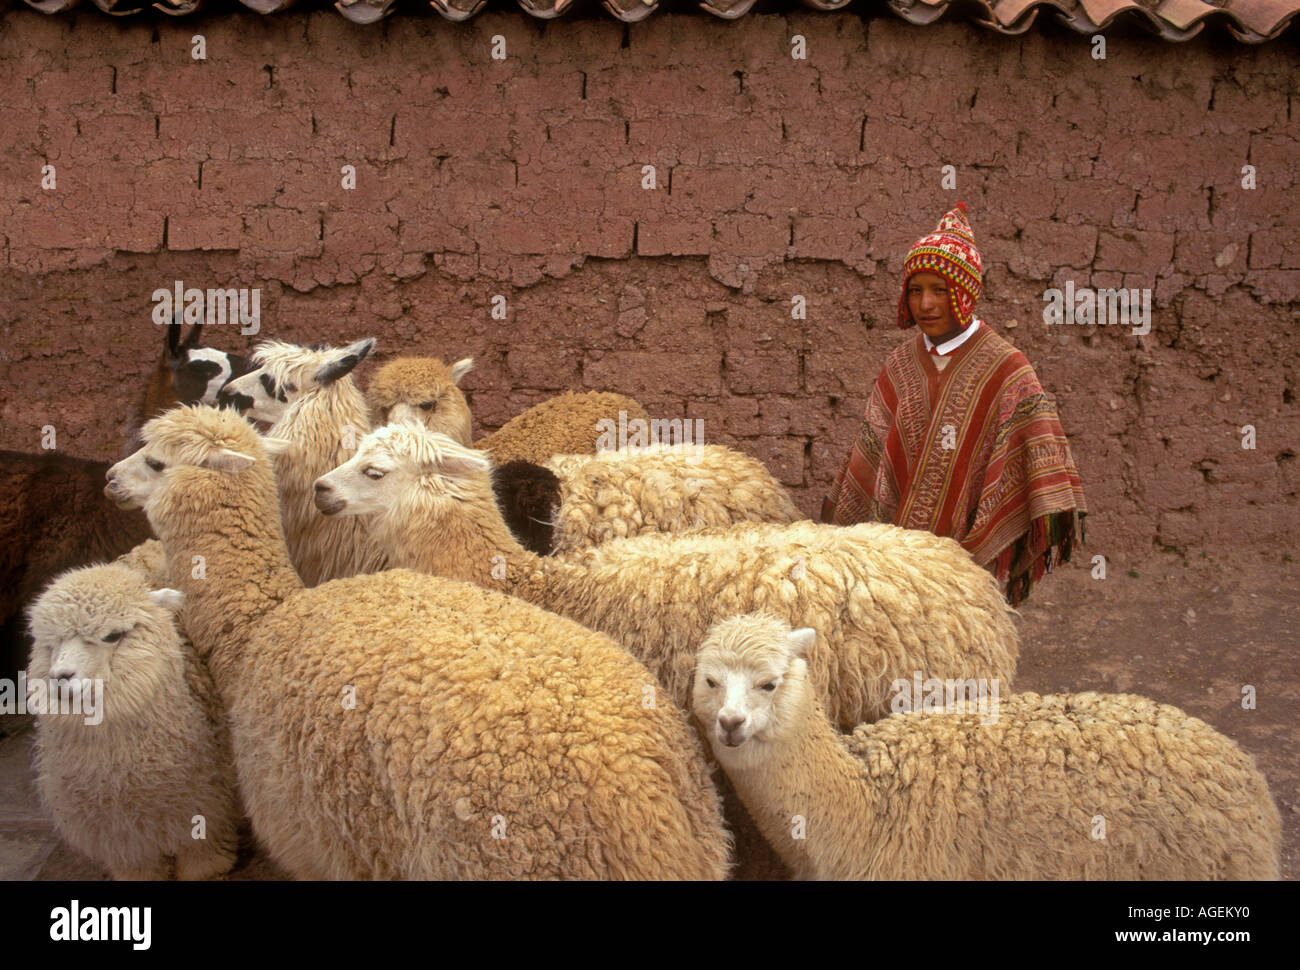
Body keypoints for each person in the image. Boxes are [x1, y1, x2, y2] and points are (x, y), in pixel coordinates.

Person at [821, 203, 1086, 606]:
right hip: (890, 560)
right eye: (915, 290)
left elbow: (1034, 459)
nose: (924, 304)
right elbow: (872, 455)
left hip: (965, 565)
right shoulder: (900, 363)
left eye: (939, 290)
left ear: (964, 293)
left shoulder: (1006, 369)